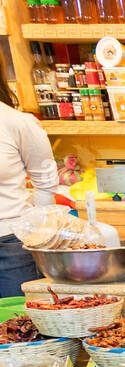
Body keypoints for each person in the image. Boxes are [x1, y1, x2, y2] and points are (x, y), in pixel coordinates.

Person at [0, 62, 60, 298]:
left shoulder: (16, 123)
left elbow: (45, 182)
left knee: (19, 325)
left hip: (10, 245)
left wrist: (37, 232)